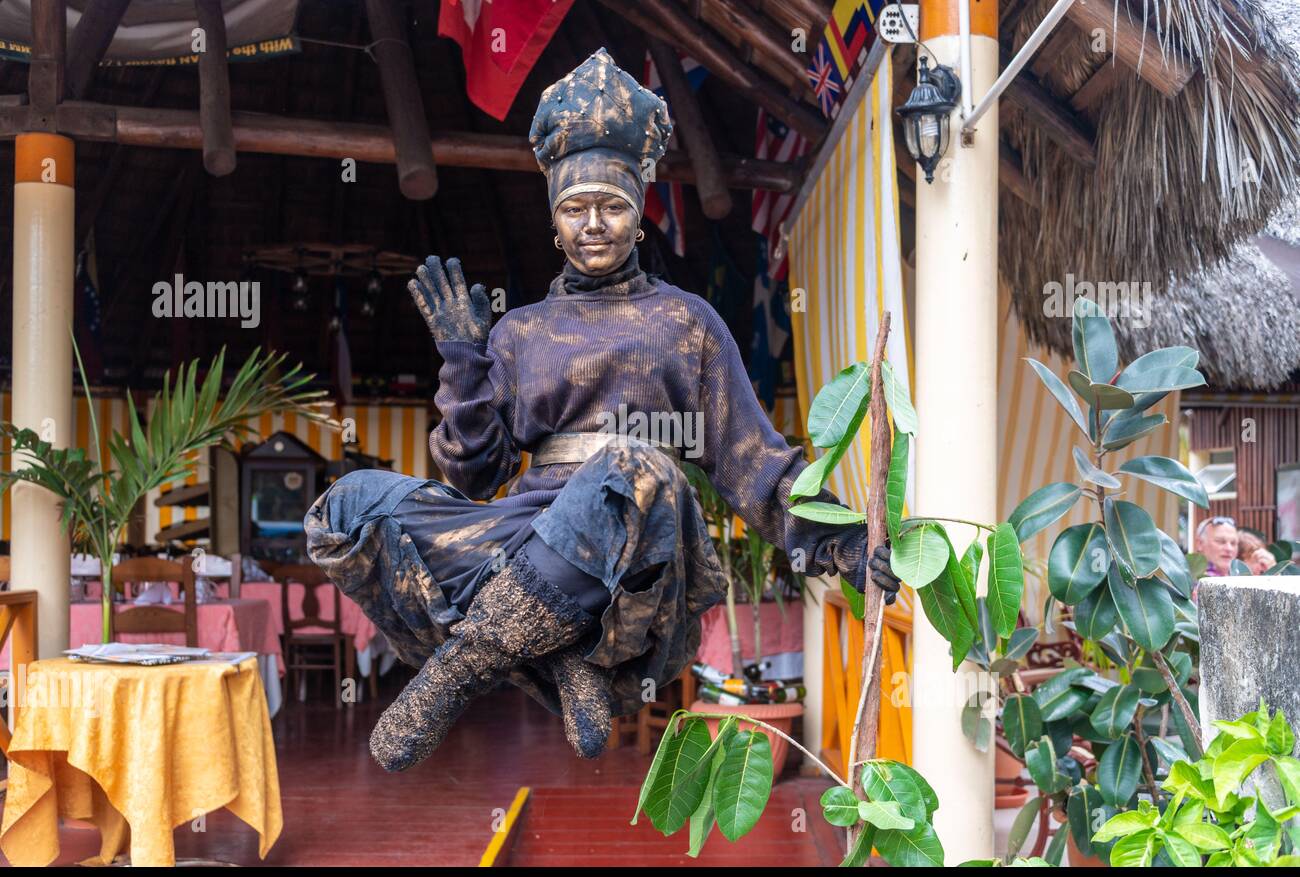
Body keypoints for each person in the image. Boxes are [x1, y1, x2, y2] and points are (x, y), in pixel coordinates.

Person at [305, 50, 900, 772]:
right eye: (574, 208)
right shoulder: (518, 330)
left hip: (642, 549)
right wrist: (463, 361)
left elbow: (756, 462)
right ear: (554, 220)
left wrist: (843, 543)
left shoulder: (689, 323)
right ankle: (563, 650)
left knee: (631, 464)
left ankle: (457, 670)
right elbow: (475, 478)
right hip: (526, 538)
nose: (594, 224)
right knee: (345, 507)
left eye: (612, 206)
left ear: (639, 212)